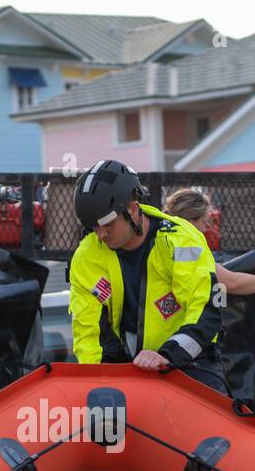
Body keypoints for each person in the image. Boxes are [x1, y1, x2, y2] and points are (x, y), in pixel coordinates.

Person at [69, 159, 228, 393]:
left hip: (191, 363)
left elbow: (207, 309)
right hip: (129, 370)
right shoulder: (87, 256)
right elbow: (88, 331)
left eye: (108, 224)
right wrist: (99, 382)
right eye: (93, 227)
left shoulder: (181, 240)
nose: (101, 234)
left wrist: (167, 355)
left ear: (133, 209)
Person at [162, 187, 255, 296]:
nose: (205, 230)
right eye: (205, 223)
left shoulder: (162, 237)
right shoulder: (185, 247)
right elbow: (230, 283)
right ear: (191, 220)